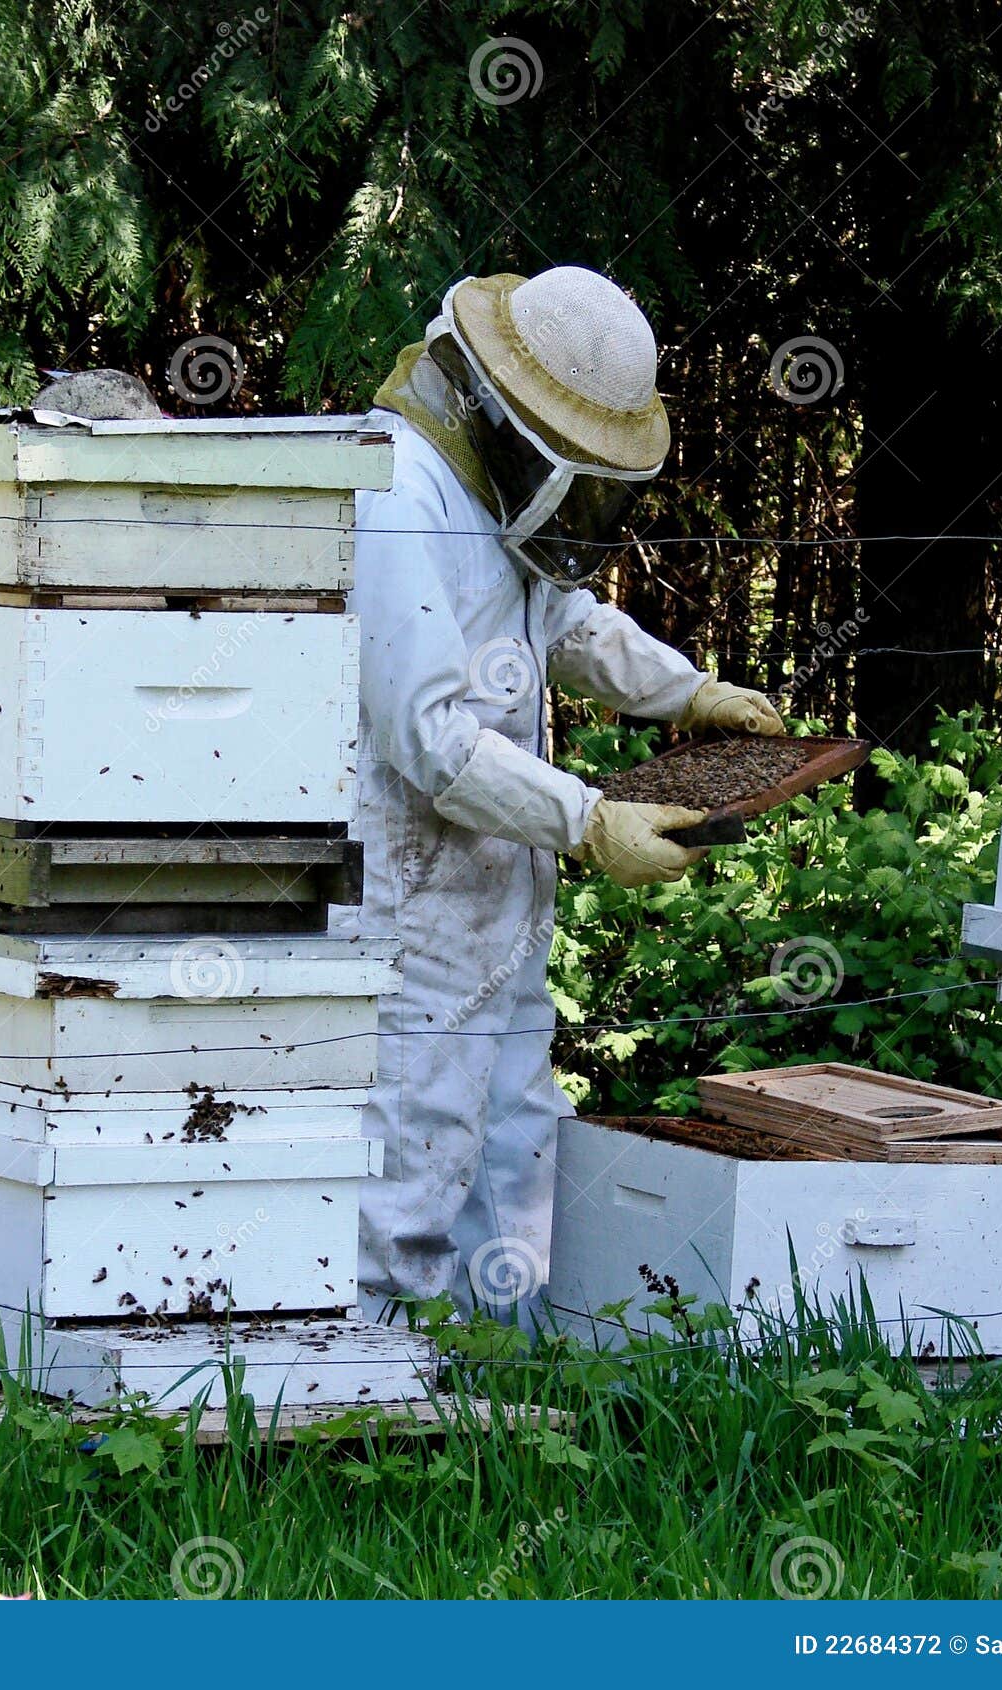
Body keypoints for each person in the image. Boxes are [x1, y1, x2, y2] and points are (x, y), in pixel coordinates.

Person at [347, 265, 783, 1324]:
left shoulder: (495, 493)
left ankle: (510, 1356)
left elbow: (571, 622)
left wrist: (691, 692)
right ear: (508, 421)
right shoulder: (393, 493)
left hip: (496, 889)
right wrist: (586, 820)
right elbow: (428, 736)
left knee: (511, 1136)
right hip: (403, 897)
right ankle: (371, 1378)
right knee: (409, 1142)